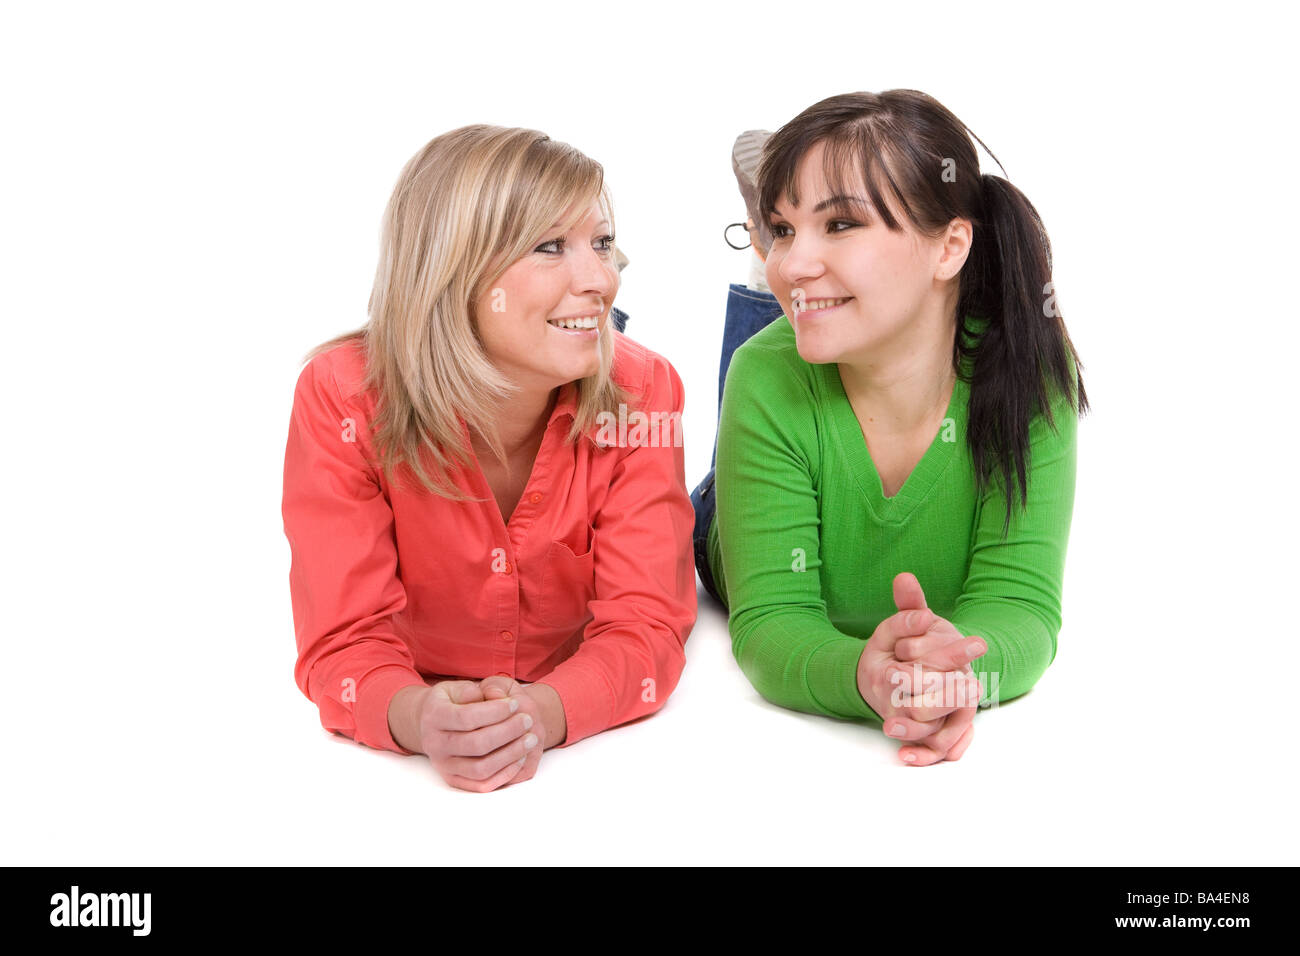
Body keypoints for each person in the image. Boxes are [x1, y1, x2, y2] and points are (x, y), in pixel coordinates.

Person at [282, 125, 696, 792]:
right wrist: (415, 716)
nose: (600, 279)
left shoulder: (646, 392)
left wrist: (543, 712)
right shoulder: (341, 397)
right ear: (453, 269)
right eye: (549, 247)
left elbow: (646, 624)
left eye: (603, 244)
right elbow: (342, 639)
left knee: (718, 533)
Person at [691, 91, 1087, 766]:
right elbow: (773, 624)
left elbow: (1019, 605)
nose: (792, 259)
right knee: (771, 347)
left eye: (840, 223)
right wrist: (866, 680)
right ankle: (767, 275)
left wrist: (954, 671)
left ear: (950, 246)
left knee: (799, 314)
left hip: (853, 356)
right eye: (781, 230)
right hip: (729, 511)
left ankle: (800, 254)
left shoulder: (1027, 376)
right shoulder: (765, 378)